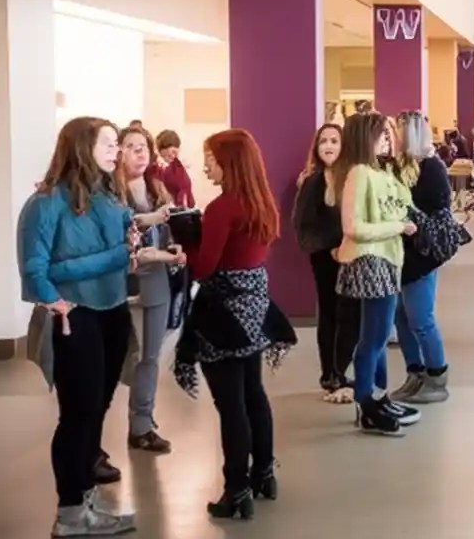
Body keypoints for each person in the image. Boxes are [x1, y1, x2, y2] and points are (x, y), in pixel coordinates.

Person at [19, 117, 138, 537]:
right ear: (81, 147)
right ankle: (70, 515)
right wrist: (57, 297)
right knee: (78, 415)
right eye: (107, 143)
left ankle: (85, 500)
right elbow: (35, 270)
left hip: (112, 311)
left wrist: (130, 247)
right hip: (76, 316)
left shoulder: (109, 195)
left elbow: (121, 252)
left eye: (117, 144)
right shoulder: (46, 201)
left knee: (97, 411)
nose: (116, 150)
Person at [173, 129, 296, 520]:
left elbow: (205, 266)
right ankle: (263, 473)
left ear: (228, 163)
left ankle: (235, 488)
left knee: (230, 405)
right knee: (253, 394)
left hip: (224, 310)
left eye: (209, 157)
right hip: (254, 304)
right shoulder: (260, 201)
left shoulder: (223, 207)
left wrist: (184, 246)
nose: (205, 164)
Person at [333, 112, 420, 435]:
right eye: (381, 134)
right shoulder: (358, 173)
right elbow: (353, 227)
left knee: (378, 335)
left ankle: (377, 395)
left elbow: (402, 202)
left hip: (386, 259)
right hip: (370, 260)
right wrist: (398, 226)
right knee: (374, 337)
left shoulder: (378, 171)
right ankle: (367, 401)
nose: (387, 139)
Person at [116, 127, 186, 454]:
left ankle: (141, 424)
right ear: (119, 153)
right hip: (124, 284)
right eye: (131, 147)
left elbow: (166, 232)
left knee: (150, 357)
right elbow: (122, 230)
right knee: (127, 356)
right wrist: (150, 220)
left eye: (143, 147)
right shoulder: (111, 193)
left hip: (157, 280)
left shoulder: (156, 188)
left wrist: (175, 249)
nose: (139, 153)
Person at [389, 112, 454, 404]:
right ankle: (414, 372)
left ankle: (437, 376)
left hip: (421, 254)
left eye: (397, 130)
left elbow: (437, 209)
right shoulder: (394, 167)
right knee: (401, 317)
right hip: (399, 252)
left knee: (420, 318)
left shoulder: (431, 168)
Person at [293, 123, 360, 402]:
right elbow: (303, 225)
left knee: (352, 315)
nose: (329, 146)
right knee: (331, 313)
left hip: (353, 258)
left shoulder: (353, 179)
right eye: (324, 141)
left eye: (334, 140)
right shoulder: (313, 182)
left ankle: (343, 370)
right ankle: (330, 374)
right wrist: (330, 248)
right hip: (326, 259)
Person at [155, 129, 195, 208]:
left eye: (176, 153)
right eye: (173, 152)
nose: (174, 156)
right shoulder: (156, 167)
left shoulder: (177, 165)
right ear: (163, 148)